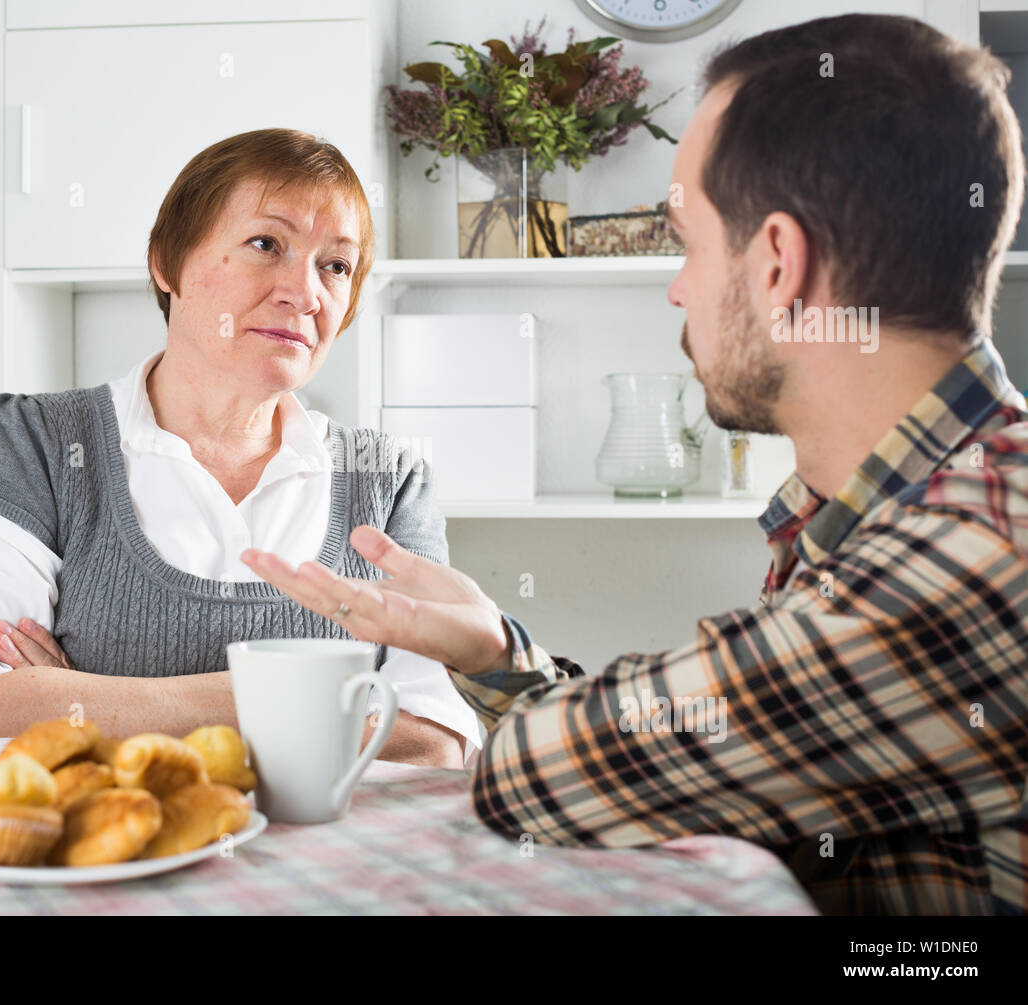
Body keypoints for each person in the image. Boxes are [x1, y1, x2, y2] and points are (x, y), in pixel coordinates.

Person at [242, 15, 1028, 915]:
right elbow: (704, 759)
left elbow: (555, 775)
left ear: (778, 264)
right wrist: (496, 652)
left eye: (689, 243)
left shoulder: (979, 546)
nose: (677, 286)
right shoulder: (882, 510)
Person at [0, 128, 481, 768]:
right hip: (110, 859)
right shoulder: (32, 445)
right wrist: (310, 704)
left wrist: (87, 702)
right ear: (167, 261)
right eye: (265, 244)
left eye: (336, 265)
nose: (304, 293)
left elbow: (433, 742)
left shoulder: (388, 479)